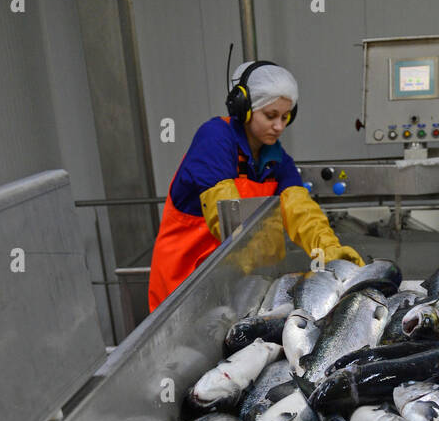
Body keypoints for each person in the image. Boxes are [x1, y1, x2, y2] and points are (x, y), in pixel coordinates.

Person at [148, 59, 364, 311]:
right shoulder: (215, 138)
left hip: (232, 282)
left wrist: (331, 250)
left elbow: (302, 212)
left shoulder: (276, 158)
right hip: (187, 283)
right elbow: (228, 217)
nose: (279, 126)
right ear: (243, 108)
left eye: (285, 117)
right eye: (270, 116)